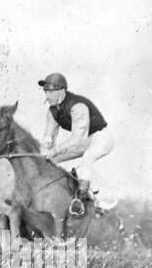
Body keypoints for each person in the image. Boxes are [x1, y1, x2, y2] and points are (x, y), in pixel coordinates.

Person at [37, 72, 116, 216]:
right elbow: (48, 138)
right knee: (52, 161)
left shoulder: (78, 106)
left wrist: (54, 151)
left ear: (61, 91)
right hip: (85, 140)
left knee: (88, 157)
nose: (46, 96)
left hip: (101, 137)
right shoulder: (52, 111)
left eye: (49, 92)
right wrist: (43, 154)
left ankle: (85, 198)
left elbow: (77, 140)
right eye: (45, 92)